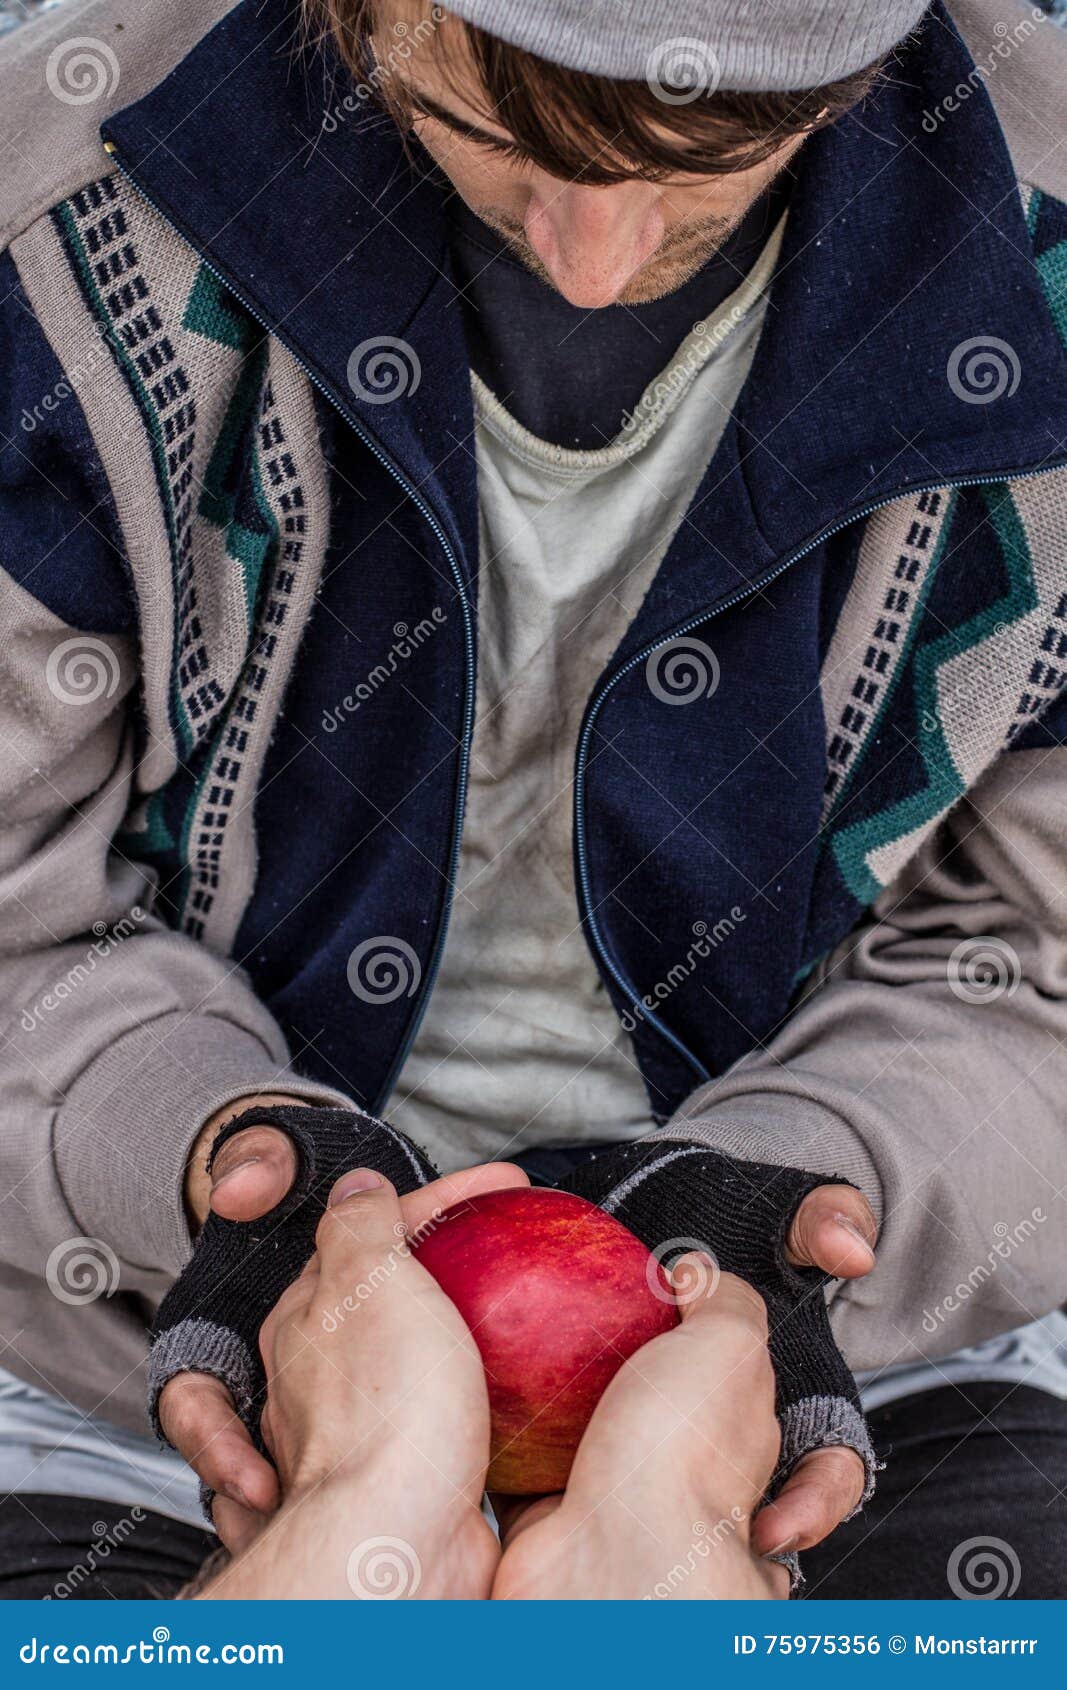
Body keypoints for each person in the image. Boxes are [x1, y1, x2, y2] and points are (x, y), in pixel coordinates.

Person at [0, 0, 1065, 1599]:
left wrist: (804, 1180)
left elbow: (1039, 969)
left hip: (865, 1374)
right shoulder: (45, 239)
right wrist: (204, 1142)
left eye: (715, 160)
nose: (591, 255)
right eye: (501, 131)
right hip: (114, 1373)